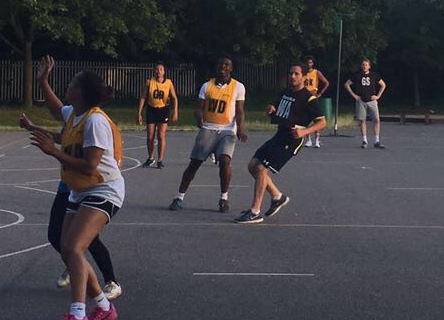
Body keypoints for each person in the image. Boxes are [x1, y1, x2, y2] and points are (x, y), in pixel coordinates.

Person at [26, 56, 125, 320]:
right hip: (81, 190)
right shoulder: (76, 114)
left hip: (103, 188)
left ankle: (78, 315)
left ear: (79, 91)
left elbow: (91, 165)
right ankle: (103, 308)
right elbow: (57, 110)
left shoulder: (95, 121)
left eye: (71, 83)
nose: (67, 86)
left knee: (73, 247)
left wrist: (53, 152)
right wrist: (43, 81)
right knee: (66, 245)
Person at [235, 62, 325, 224]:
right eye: (290, 73)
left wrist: (304, 132)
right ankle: (277, 197)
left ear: (304, 77)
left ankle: (255, 211)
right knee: (252, 166)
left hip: (292, 139)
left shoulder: (309, 98)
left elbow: (322, 122)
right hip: (280, 134)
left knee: (262, 169)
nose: (292, 76)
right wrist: (271, 109)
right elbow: (277, 108)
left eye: (296, 74)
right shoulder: (285, 92)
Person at [169, 57, 247, 214]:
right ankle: (179, 197)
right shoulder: (207, 86)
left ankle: (223, 198)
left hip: (227, 130)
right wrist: (199, 118)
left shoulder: (238, 87)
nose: (223, 67)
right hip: (208, 128)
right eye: (220, 64)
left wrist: (241, 129)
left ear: (231, 68)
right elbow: (198, 108)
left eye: (227, 65)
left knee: (225, 161)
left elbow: (239, 111)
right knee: (194, 164)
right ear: (216, 67)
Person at [136, 63, 177, 168]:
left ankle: (160, 160)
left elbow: (174, 98)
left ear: (164, 72)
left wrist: (175, 112)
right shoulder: (149, 82)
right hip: (151, 109)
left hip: (163, 110)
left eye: (161, 69)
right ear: (154, 71)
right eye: (157, 69)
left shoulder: (168, 83)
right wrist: (139, 113)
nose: (158, 71)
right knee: (150, 136)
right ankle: (150, 158)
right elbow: (143, 98)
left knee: (161, 135)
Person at [344, 58, 387, 149]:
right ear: (361, 66)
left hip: (372, 100)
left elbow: (383, 85)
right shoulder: (357, 75)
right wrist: (354, 95)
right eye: (363, 65)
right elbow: (347, 84)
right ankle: (364, 140)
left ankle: (376, 141)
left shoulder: (374, 75)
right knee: (362, 120)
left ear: (369, 66)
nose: (364, 66)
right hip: (361, 100)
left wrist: (378, 96)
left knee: (376, 120)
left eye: (366, 65)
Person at [302, 55, 330, 147]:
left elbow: (326, 82)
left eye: (310, 62)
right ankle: (308, 139)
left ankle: (317, 140)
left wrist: (320, 93)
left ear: (312, 63)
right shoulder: (302, 72)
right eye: (307, 62)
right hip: (304, 97)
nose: (308, 64)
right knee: (305, 119)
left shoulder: (316, 72)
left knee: (317, 118)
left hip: (313, 97)